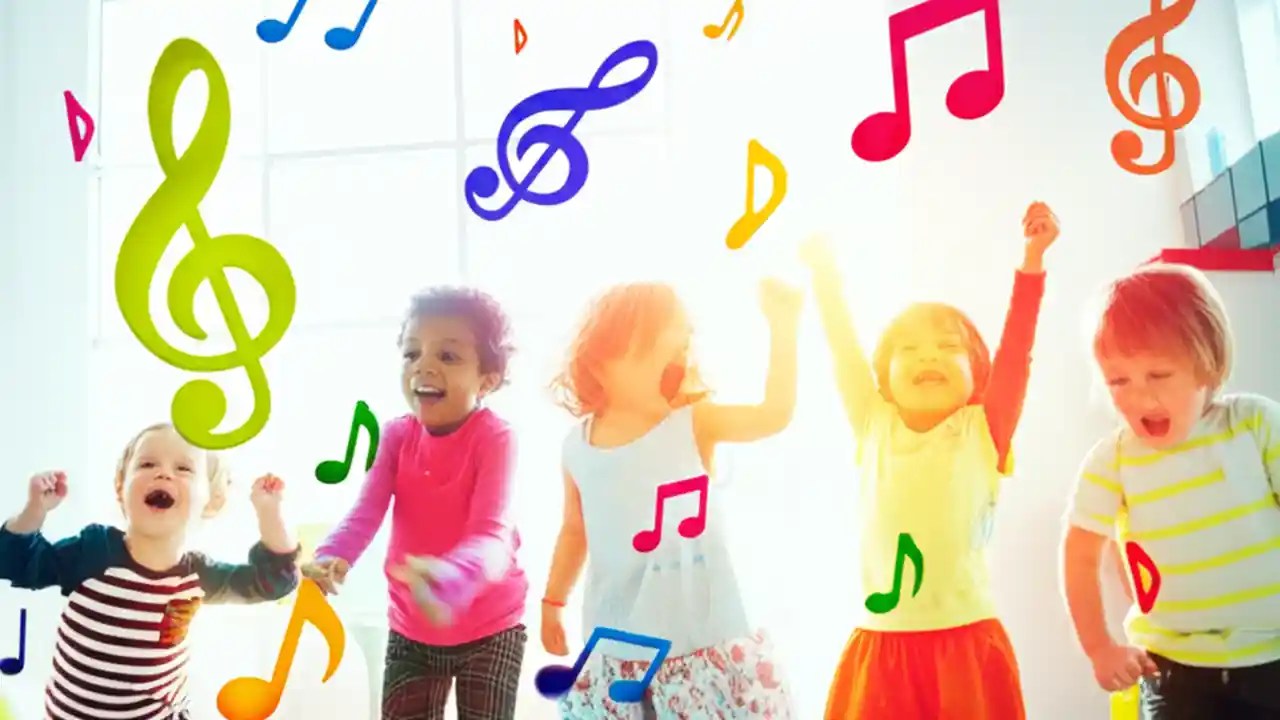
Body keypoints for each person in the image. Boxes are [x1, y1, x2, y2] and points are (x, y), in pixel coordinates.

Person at [809, 201, 1058, 720]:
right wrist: (825, 276)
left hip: (963, 644)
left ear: (977, 373)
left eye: (948, 347)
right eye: (910, 349)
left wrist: (1032, 260)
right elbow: (843, 351)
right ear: (884, 376)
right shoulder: (874, 422)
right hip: (883, 644)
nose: (928, 357)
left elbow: (1017, 351)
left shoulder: (983, 430)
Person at [542, 278, 803, 718]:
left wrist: (783, 325)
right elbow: (574, 529)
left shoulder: (693, 424)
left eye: (681, 350)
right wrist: (553, 601)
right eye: (657, 350)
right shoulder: (577, 447)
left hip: (699, 640)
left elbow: (773, 415)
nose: (677, 360)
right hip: (618, 644)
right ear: (601, 359)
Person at [1062, 262, 1280, 719]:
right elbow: (1080, 554)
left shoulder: (1255, 425)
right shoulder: (1113, 461)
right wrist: (1100, 648)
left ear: (1208, 366)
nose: (1140, 397)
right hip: (1174, 671)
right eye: (1119, 381)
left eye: (1158, 375)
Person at [302, 286, 528, 720]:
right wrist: (332, 555)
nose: (422, 365)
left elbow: (492, 532)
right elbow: (365, 512)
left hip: (491, 628)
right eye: (411, 354)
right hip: (412, 628)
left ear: (488, 379)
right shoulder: (396, 436)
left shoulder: (495, 437)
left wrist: (451, 577)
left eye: (447, 356)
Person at [0, 424, 299, 720]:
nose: (163, 473)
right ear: (120, 486)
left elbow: (274, 582)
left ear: (212, 500)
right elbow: (14, 563)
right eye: (146, 463)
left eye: (184, 468)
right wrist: (34, 510)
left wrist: (269, 513)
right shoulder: (93, 551)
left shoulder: (199, 577)